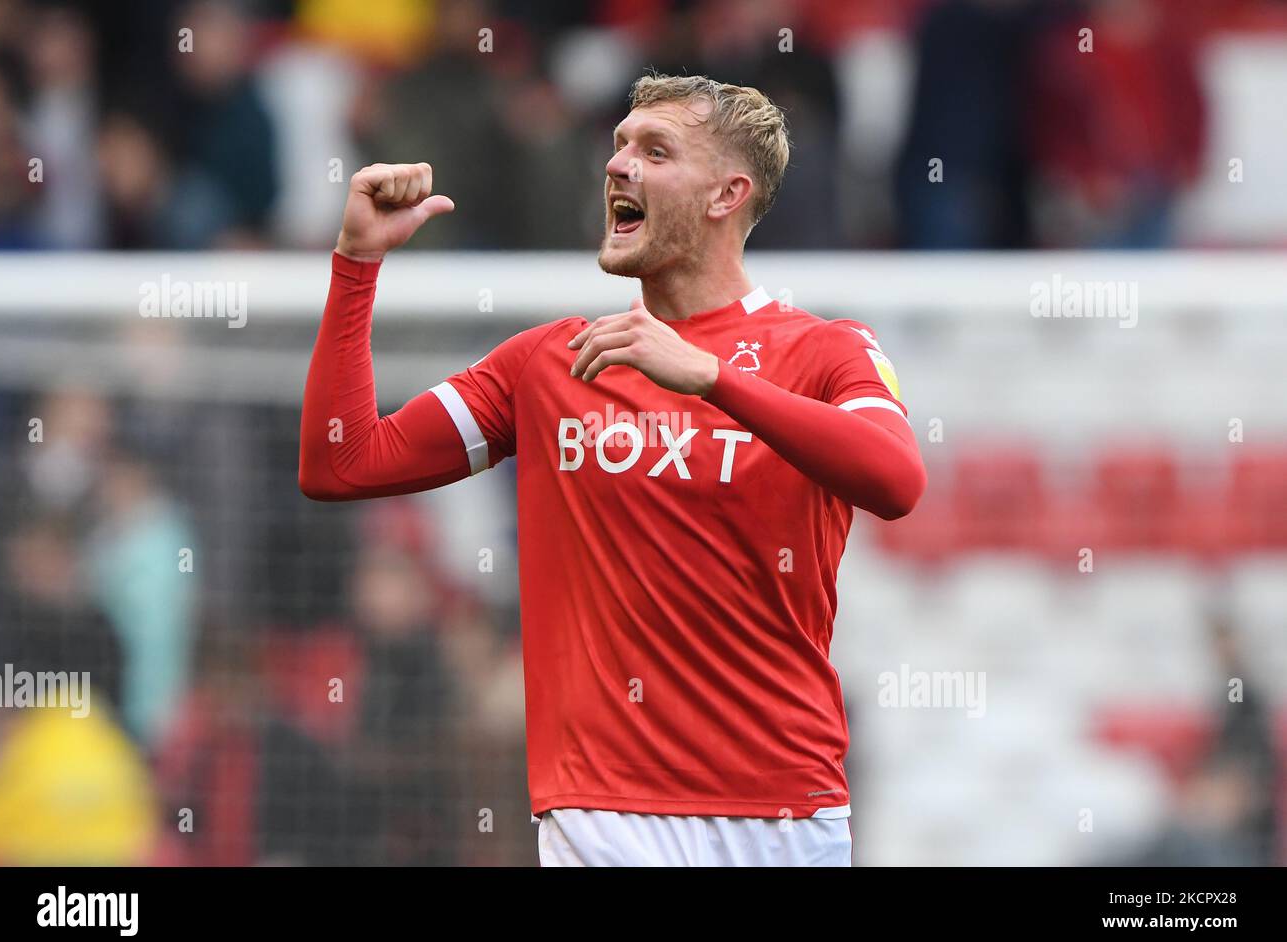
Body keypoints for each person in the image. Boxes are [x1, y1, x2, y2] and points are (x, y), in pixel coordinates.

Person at [300, 73, 927, 866]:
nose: (619, 165)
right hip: (602, 813)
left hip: (784, 812)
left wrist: (714, 377)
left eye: (654, 151)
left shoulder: (824, 351)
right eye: (621, 144)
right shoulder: (552, 362)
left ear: (724, 194)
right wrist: (357, 264)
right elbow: (341, 462)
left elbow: (897, 482)